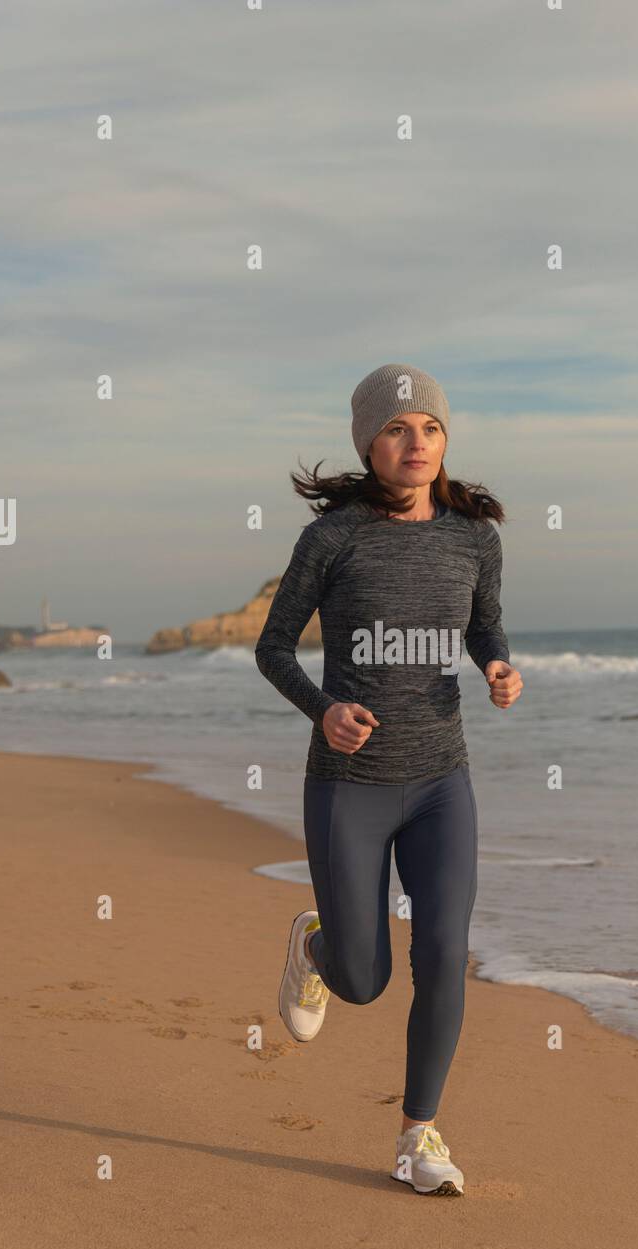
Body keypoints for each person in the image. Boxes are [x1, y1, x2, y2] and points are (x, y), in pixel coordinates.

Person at [255, 363, 523, 1196]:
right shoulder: (332, 536)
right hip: (349, 780)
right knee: (365, 982)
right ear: (368, 444)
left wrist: (498, 665)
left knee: (444, 953)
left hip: (442, 777)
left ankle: (416, 1135)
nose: (417, 443)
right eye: (398, 429)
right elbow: (273, 647)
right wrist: (322, 707)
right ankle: (317, 944)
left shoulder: (474, 535)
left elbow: (485, 626)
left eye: (431, 428)